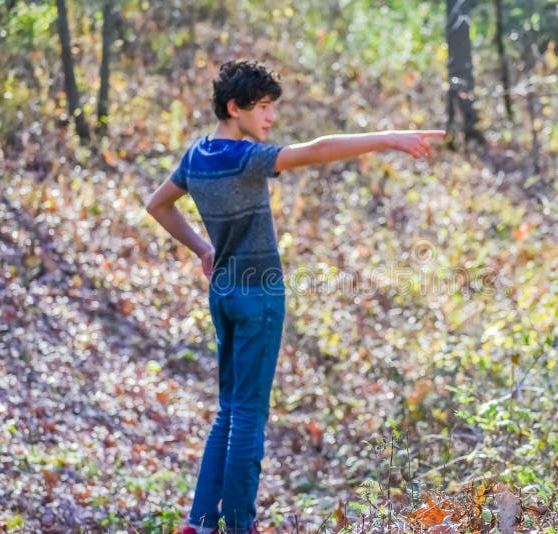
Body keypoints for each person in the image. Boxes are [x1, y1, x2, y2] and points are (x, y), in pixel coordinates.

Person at [145, 59, 444, 534]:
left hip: (223, 293)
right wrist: (389, 138)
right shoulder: (246, 158)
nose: (271, 117)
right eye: (262, 106)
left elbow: (157, 204)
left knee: (229, 411)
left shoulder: (197, 155)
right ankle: (239, 525)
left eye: (272, 107)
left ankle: (200, 524)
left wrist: (203, 248)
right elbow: (318, 149)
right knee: (248, 415)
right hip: (258, 296)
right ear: (234, 108)